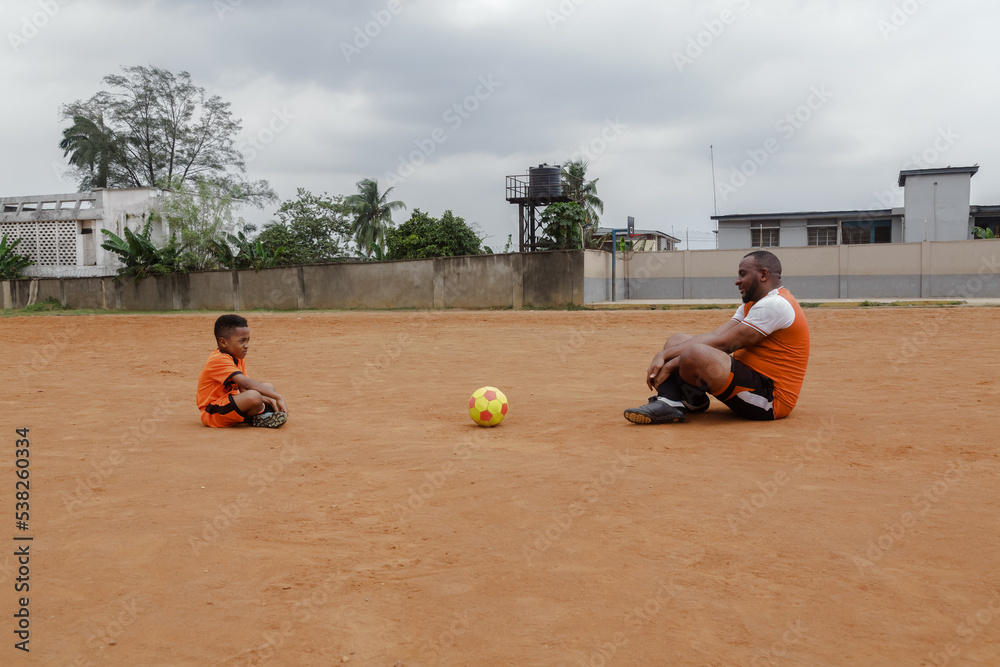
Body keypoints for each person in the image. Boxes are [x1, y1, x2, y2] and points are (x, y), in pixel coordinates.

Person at [624, 250, 809, 424]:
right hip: (749, 380)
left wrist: (668, 362)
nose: (737, 281)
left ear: (763, 274)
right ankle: (687, 400)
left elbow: (725, 344)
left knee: (694, 352)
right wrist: (665, 354)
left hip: (770, 400)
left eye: (743, 274)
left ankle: (672, 400)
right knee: (677, 340)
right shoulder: (753, 304)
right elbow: (716, 335)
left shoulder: (776, 304)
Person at [196, 314, 288, 428]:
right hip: (212, 412)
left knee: (268, 387)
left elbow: (244, 389)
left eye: (248, 340)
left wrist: (268, 399)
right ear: (223, 342)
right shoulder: (218, 359)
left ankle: (260, 415)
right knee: (254, 396)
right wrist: (277, 397)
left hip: (229, 405)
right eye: (242, 341)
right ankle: (262, 414)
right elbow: (245, 383)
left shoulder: (238, 357)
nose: (247, 345)